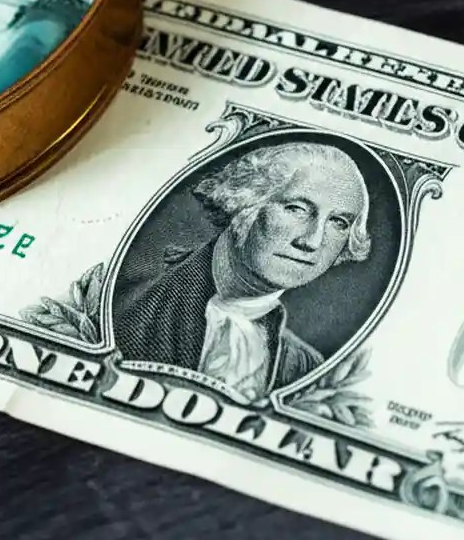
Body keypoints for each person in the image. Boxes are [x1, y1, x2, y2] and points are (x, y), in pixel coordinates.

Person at [114, 140, 372, 403]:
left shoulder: (305, 367)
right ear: (245, 203)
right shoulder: (130, 303)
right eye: (297, 209)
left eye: (338, 222)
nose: (312, 241)